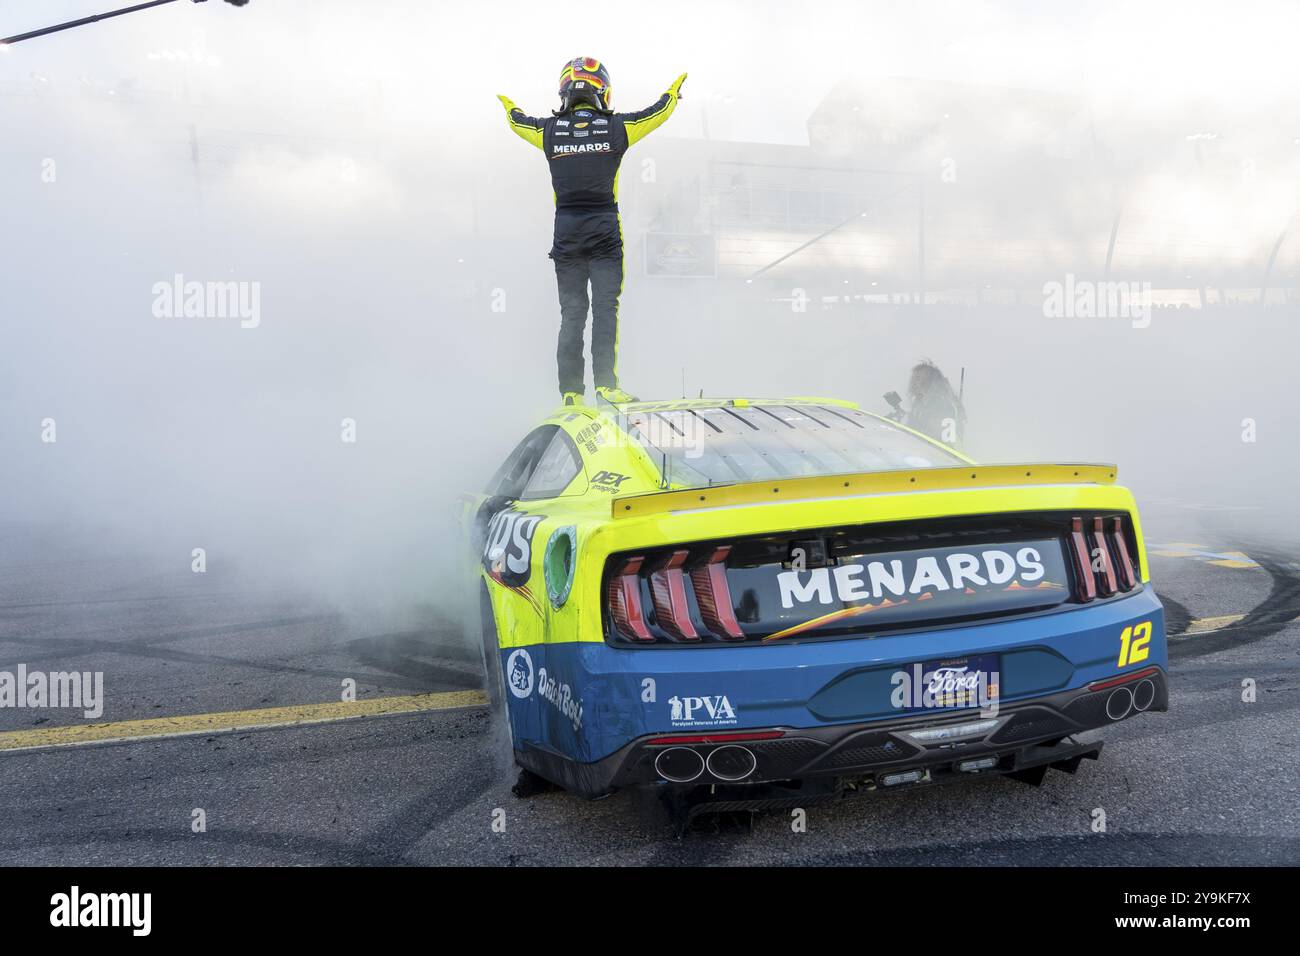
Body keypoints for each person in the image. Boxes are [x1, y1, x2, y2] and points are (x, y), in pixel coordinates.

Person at [498, 58, 687, 406]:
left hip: (566, 234)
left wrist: (510, 105)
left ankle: (571, 395)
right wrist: (673, 93)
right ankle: (607, 388)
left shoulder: (548, 131)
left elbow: (515, 122)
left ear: (564, 90)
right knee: (605, 309)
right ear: (603, 90)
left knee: (572, 313)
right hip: (604, 231)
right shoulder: (617, 127)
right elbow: (657, 112)